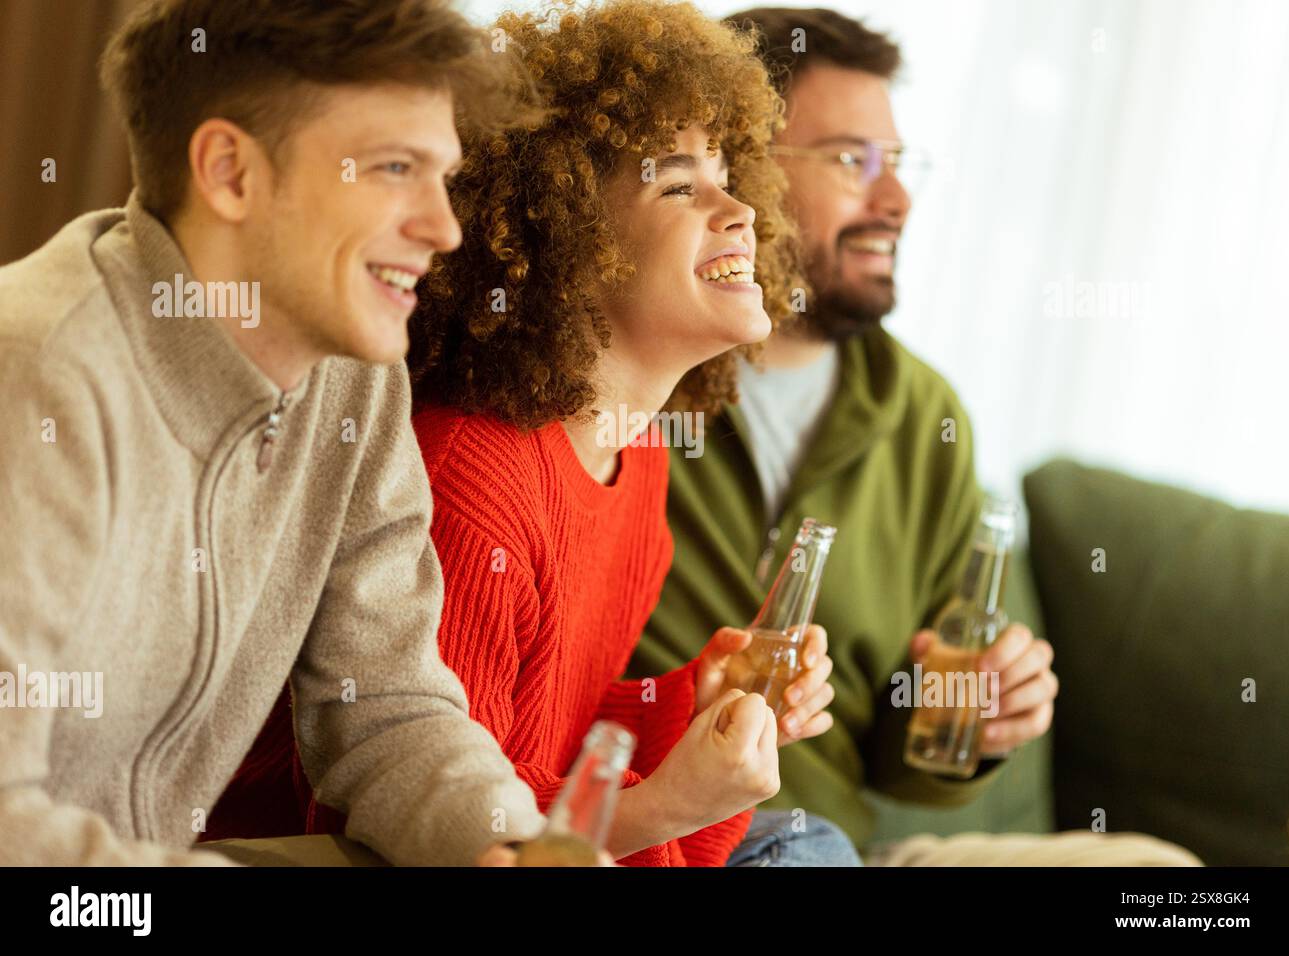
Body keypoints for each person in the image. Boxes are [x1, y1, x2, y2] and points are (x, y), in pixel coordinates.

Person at [631, 7, 1201, 867]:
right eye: (853, 160)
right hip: (669, 828)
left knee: (1164, 882)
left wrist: (974, 713)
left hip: (841, 845)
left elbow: (908, 755)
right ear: (743, 167)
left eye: (899, 165)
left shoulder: (923, 414)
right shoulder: (643, 370)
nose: (894, 199)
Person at [309, 0, 857, 867]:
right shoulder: (471, 483)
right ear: (565, 236)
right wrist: (672, 804)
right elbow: (448, 816)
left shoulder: (639, 458)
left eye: (728, 174)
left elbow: (548, 736)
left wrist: (687, 707)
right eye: (679, 183)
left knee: (811, 845)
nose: (740, 209)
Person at [0, 0, 546, 866]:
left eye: (442, 177)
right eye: (395, 167)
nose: (444, 229)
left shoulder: (356, 380)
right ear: (230, 172)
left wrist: (506, 848)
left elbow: (390, 708)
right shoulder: (33, 375)